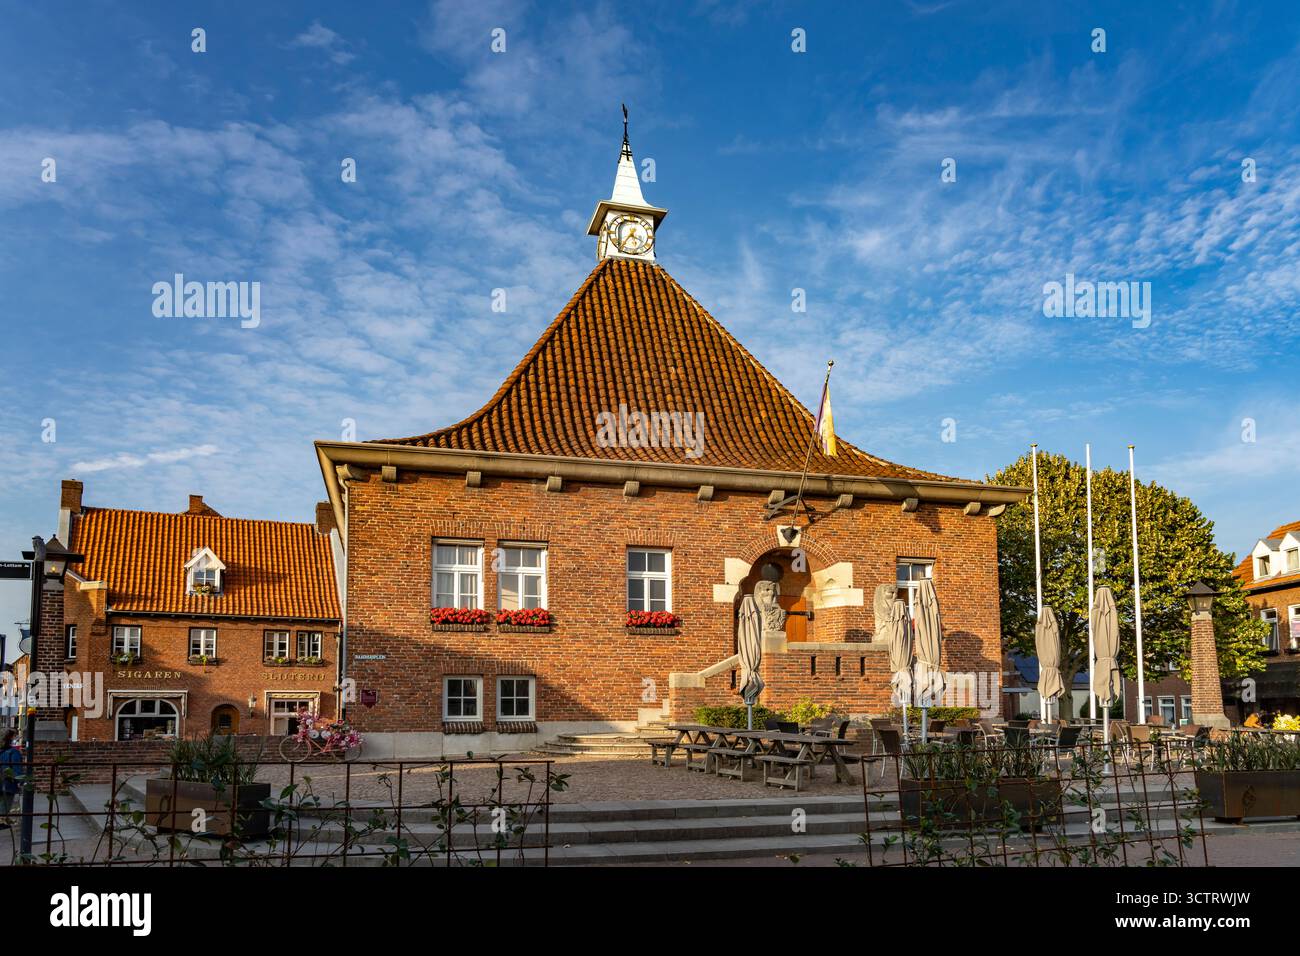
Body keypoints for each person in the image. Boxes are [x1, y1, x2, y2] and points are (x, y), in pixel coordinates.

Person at [0, 729, 23, 828]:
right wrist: (21, 782)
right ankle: (1, 822)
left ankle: (3, 819)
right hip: (8, 782)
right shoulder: (14, 752)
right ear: (11, 738)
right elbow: (17, 769)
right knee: (6, 803)